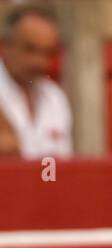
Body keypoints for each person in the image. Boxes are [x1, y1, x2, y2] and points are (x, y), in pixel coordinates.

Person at [0, 4, 71, 158]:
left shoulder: (54, 97)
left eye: (48, 52)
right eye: (30, 49)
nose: (39, 62)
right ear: (5, 45)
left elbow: (62, 168)